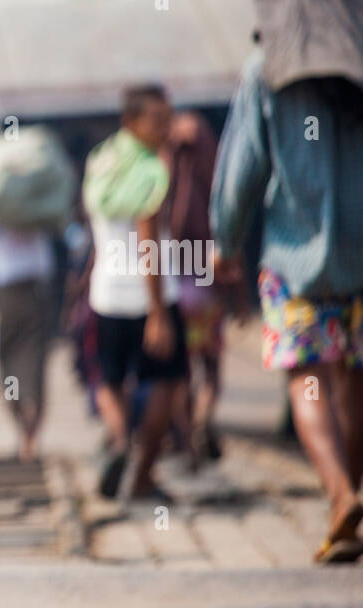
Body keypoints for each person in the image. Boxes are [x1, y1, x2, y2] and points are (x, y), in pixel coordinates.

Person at [210, 0, 363, 563]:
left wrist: (225, 243)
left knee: (308, 380)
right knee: (353, 376)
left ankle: (340, 494)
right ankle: (349, 493)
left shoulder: (266, 72)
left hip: (296, 262)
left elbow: (242, 168)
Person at [83, 84, 189, 501]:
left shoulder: (100, 161)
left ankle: (118, 437)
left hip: (106, 294)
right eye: (159, 121)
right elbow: (148, 240)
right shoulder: (150, 169)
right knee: (167, 381)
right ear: (132, 122)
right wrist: (158, 313)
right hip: (150, 296)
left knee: (108, 379)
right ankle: (142, 475)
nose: (167, 129)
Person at [160, 110, 248, 466]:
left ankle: (185, 438)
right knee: (210, 369)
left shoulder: (159, 183)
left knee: (180, 372)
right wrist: (241, 301)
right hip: (207, 296)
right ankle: (202, 419)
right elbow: (231, 257)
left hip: (174, 295)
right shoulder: (216, 190)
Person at [0, 201, 59, 461]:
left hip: (9, 294)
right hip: (35, 292)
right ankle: (29, 428)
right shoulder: (31, 203)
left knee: (11, 363)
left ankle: (25, 425)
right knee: (32, 361)